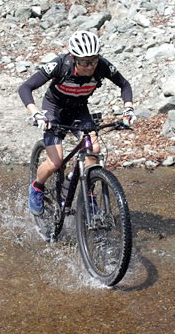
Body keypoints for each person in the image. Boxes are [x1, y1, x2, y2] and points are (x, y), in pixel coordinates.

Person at [18, 30, 134, 215]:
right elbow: (25, 87)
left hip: (79, 109)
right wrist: (36, 115)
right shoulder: (59, 65)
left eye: (94, 60)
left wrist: (128, 110)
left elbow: (124, 84)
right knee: (55, 162)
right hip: (54, 109)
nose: (90, 67)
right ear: (73, 58)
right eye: (84, 62)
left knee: (93, 151)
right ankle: (37, 187)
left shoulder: (102, 66)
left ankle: (79, 184)